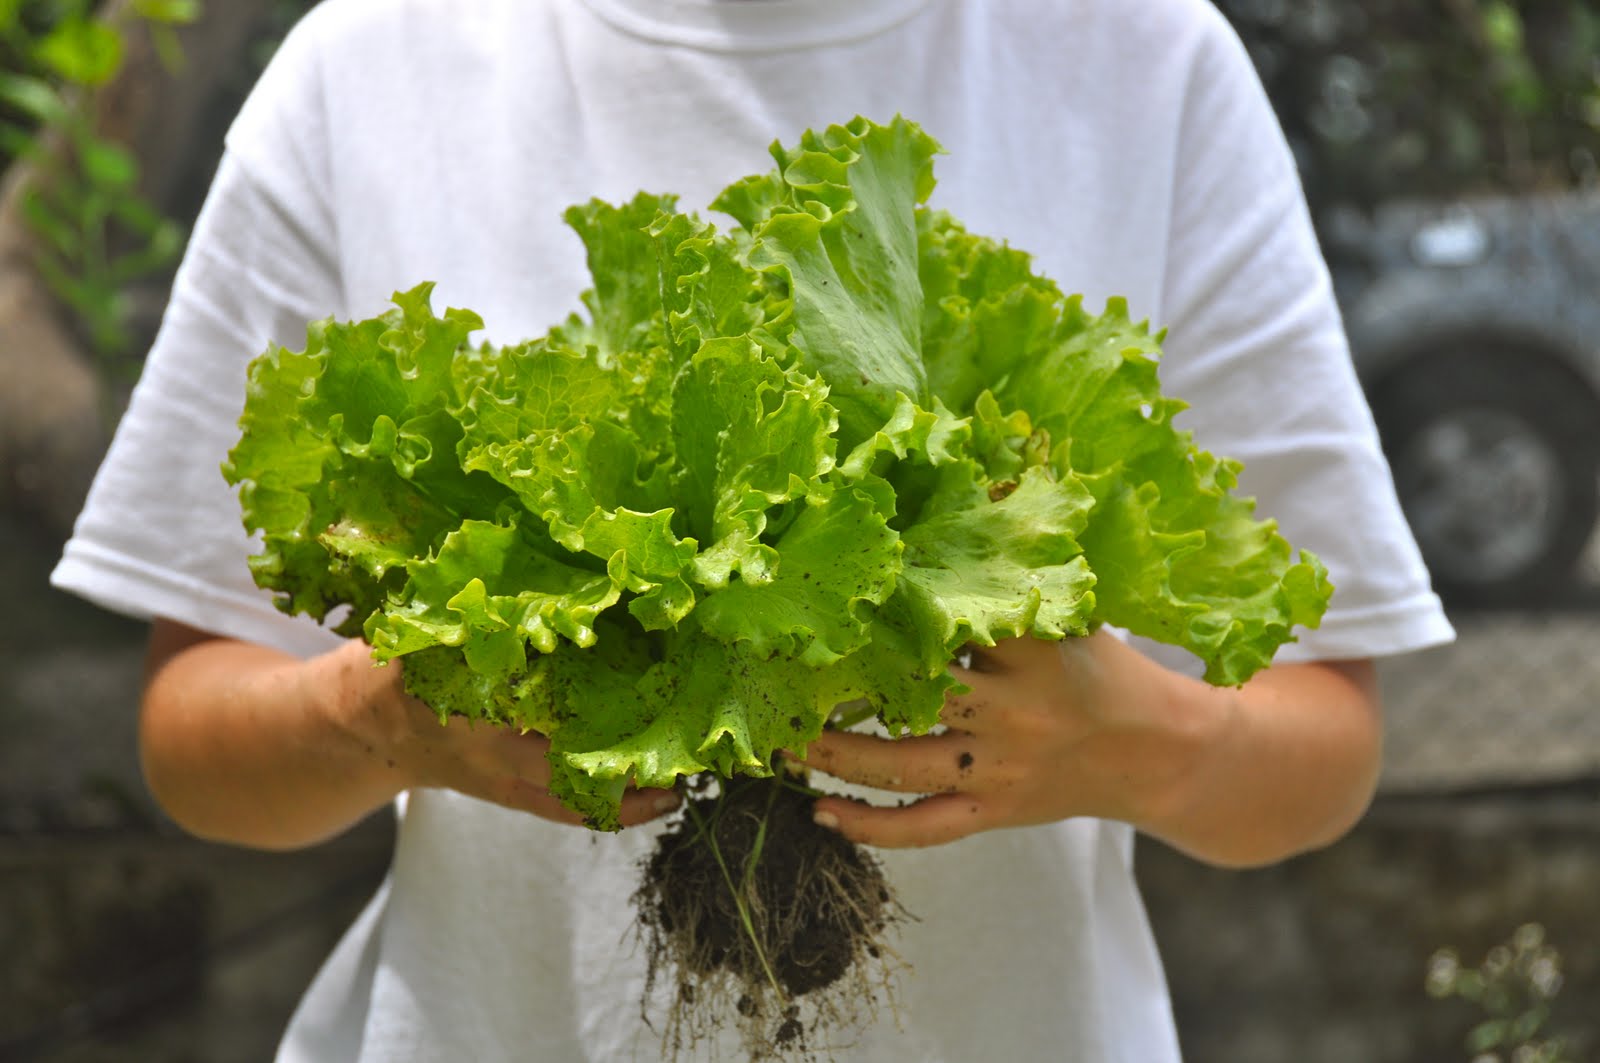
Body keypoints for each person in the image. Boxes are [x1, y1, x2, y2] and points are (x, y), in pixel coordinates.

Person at [51, 0, 1455, 1059]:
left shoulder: (1140, 58)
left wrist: (1124, 739)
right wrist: (385, 716)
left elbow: (1321, 742)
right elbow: (197, 741)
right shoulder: (373, 63)